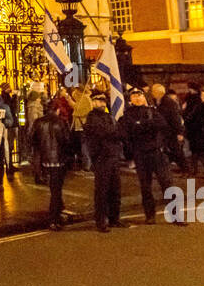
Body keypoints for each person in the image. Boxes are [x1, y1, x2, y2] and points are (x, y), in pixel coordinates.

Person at [123, 87, 182, 224]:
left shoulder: (153, 111)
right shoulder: (127, 115)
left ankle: (175, 215)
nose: (137, 98)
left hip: (157, 153)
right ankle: (150, 216)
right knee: (145, 187)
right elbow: (128, 131)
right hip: (140, 154)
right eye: (134, 96)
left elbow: (162, 125)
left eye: (139, 95)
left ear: (144, 97)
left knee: (167, 184)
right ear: (130, 99)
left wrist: (141, 125)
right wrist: (146, 125)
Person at [83, 90, 125, 232]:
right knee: (102, 191)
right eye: (99, 100)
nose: (102, 103)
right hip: (101, 157)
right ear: (93, 102)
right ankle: (101, 221)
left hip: (113, 155)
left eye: (103, 101)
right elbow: (103, 132)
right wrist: (114, 132)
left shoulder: (108, 116)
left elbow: (119, 132)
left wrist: (114, 132)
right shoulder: (92, 117)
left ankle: (114, 218)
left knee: (115, 189)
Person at [30, 101, 71, 229]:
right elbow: (66, 141)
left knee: (54, 189)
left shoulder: (38, 122)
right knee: (56, 190)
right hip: (58, 160)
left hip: (44, 160)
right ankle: (54, 219)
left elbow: (31, 139)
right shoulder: (60, 122)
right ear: (57, 110)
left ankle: (59, 210)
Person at [151, 83, 189, 174]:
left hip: (172, 131)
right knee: (169, 150)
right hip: (164, 131)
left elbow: (175, 118)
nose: (152, 93)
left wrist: (180, 132)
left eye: (153, 91)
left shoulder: (169, 103)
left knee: (176, 151)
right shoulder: (158, 101)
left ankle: (186, 170)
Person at [70, 86, 92, 172]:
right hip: (78, 125)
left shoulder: (85, 99)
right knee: (80, 145)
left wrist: (70, 101)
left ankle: (87, 164)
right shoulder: (81, 98)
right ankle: (83, 163)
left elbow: (80, 110)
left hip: (82, 125)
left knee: (84, 146)